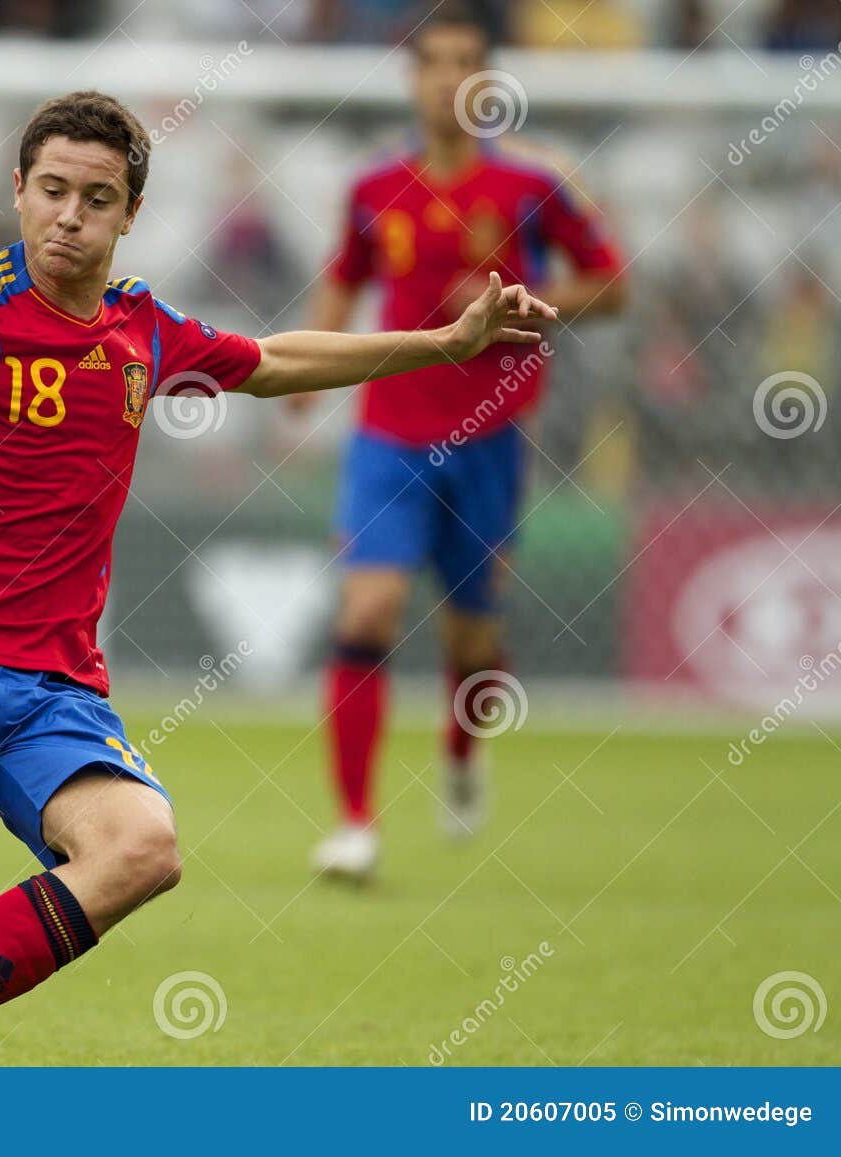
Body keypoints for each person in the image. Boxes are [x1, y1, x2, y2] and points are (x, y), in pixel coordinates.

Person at [0, 89, 556, 1063]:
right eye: (52, 190)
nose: (69, 215)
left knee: (142, 847)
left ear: (128, 213)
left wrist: (442, 343)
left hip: (49, 687)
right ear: (18, 192)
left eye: (95, 198)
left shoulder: (142, 329)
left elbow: (274, 359)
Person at [297, 1, 625, 881]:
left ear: (489, 80)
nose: (449, 77)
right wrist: (289, 385)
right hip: (389, 435)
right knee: (366, 611)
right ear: (413, 79)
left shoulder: (531, 189)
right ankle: (356, 823)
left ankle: (461, 753)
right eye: (433, 61)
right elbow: (342, 282)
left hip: (490, 442)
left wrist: (531, 307)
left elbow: (613, 286)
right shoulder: (373, 191)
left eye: (465, 61)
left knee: (472, 641)